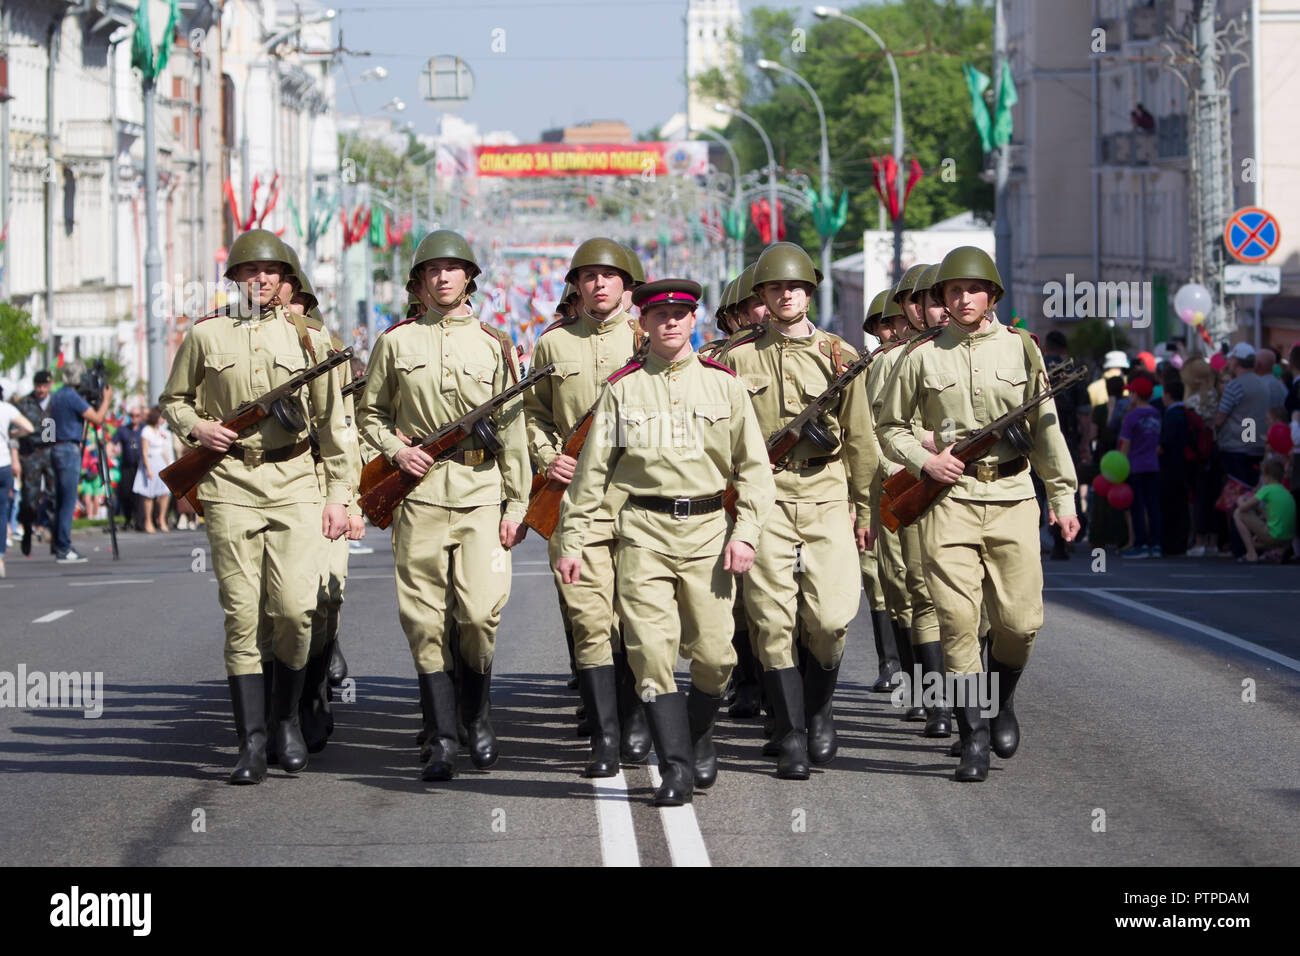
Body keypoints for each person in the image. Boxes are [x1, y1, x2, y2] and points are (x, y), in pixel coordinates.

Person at [554, 279, 776, 806]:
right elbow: (592, 475)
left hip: (708, 537)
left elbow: (755, 472)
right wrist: (573, 540)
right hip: (643, 536)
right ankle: (675, 766)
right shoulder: (622, 389)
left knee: (717, 658)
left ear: (693, 320)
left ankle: (697, 733)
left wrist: (745, 533)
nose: (671, 323)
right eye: (659, 316)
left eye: (680, 315)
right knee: (650, 654)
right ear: (645, 324)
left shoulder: (726, 387)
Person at [878, 246, 1079, 783]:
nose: (963, 298)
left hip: (1013, 497)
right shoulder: (918, 356)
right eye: (952, 291)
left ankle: (1001, 702)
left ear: (992, 294)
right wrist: (925, 461)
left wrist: (1063, 497)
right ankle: (972, 738)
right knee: (958, 624)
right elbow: (890, 428)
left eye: (973, 289)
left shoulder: (1022, 351)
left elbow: (1046, 427)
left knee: (1020, 623)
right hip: (950, 502)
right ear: (941, 298)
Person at [161, 228, 353, 785]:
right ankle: (252, 743)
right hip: (228, 482)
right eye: (251, 271)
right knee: (242, 616)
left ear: (287, 281)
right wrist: (198, 426)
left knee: (295, 610)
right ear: (236, 278)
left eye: (272, 272)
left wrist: (340, 496)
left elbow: (335, 426)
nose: (262, 279)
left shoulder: (311, 342)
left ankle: (287, 717)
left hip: (295, 480)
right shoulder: (205, 335)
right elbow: (173, 399)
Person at [358, 229, 530, 783]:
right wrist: (396, 450)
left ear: (469, 278)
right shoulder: (395, 343)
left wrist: (516, 502)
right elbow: (370, 415)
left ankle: (477, 714)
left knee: (479, 614)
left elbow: (515, 428)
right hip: (420, 497)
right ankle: (444, 737)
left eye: (453, 269)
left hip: (481, 494)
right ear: (421, 281)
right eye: (433, 270)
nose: (443, 277)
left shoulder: (494, 343)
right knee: (423, 619)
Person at [719, 242, 876, 778]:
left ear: (810, 292)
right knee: (770, 620)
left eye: (796, 286)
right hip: (763, 500)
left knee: (830, 618)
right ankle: (788, 733)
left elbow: (861, 440)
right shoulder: (735, 359)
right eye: (775, 287)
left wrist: (865, 511)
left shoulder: (841, 356)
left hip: (826, 494)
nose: (786, 295)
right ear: (760, 294)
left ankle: (819, 709)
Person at [522, 237, 651, 776]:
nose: (598, 284)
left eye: (608, 275)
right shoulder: (552, 345)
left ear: (627, 284)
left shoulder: (652, 339)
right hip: (578, 504)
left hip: (645, 501)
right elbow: (532, 414)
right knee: (588, 617)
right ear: (575, 286)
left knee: (638, 616)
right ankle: (604, 733)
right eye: (588, 276)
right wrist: (548, 456)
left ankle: (635, 718)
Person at [47, 362, 112, 564]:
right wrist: (107, 400)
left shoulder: (57, 395)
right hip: (68, 449)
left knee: (61, 499)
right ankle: (64, 547)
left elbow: (47, 424)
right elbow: (98, 419)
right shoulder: (71, 396)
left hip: (56, 447)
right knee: (68, 501)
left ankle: (59, 543)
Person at [1119, 376, 1162, 558]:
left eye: (1131, 393)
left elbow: (1125, 444)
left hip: (1135, 465)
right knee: (1153, 505)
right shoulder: (1157, 414)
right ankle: (1156, 544)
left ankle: (1141, 544)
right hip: (1152, 464)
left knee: (1137, 506)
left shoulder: (1131, 417)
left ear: (1136, 394)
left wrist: (1119, 465)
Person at [1, 386, 37, 578]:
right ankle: (2, 555)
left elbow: (37, 427)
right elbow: (27, 429)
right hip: (12, 460)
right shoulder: (12, 408)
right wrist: (13, 436)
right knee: (7, 509)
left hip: (12, 461)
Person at [1233, 458, 1296, 562]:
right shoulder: (1285, 491)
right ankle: (1278, 552)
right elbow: (1272, 516)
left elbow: (1243, 507)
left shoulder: (1267, 489)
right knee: (1255, 539)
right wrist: (1258, 508)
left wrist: (1240, 499)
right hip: (1288, 539)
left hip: (1274, 537)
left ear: (1266, 475)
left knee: (1238, 513)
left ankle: (1251, 554)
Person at [132, 407, 174, 533]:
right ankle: (148, 521)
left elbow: (163, 449)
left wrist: (169, 464)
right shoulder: (146, 431)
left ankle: (161, 519)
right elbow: (144, 452)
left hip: (161, 462)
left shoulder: (159, 431)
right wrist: (148, 469)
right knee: (149, 494)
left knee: (165, 493)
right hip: (150, 463)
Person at [113, 406, 145, 531]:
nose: (134, 418)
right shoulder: (123, 430)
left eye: (137, 416)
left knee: (140, 495)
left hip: (141, 466)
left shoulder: (145, 429)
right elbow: (112, 443)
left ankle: (140, 520)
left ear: (140, 416)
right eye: (132, 415)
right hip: (127, 466)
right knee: (126, 493)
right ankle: (127, 518)